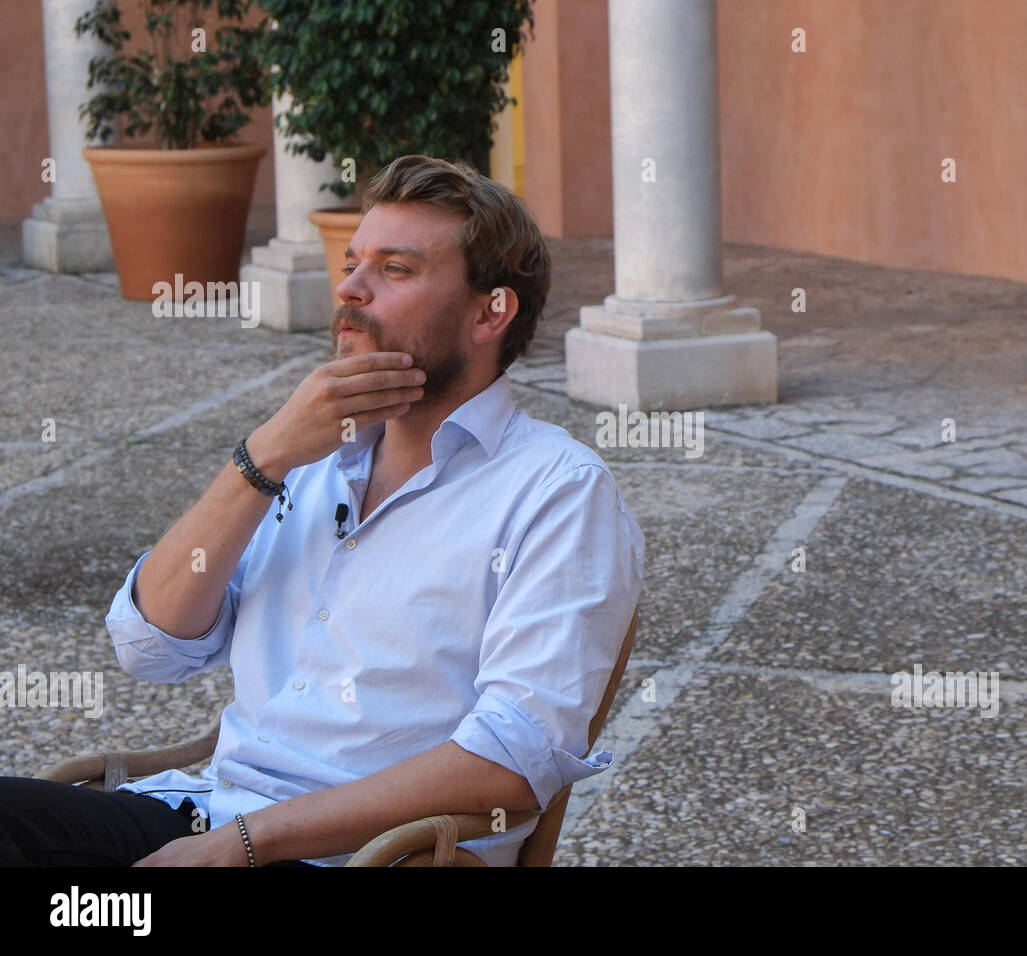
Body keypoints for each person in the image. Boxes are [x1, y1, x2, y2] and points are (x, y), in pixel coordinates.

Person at [0, 156, 644, 867]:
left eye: (393, 270)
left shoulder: (556, 490)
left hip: (361, 856)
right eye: (351, 263)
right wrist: (263, 457)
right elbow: (150, 644)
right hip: (203, 816)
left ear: (491, 311)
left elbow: (509, 767)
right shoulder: (303, 457)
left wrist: (243, 846)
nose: (349, 289)